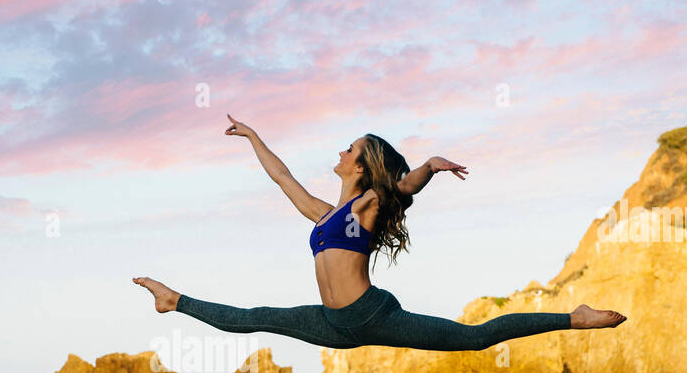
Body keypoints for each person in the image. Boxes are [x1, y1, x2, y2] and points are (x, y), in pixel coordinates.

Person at [133, 114, 625, 350]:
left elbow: (403, 185)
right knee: (254, 317)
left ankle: (573, 318)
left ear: (364, 165)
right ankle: (172, 300)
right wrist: (254, 137)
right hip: (331, 323)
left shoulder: (370, 202)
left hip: (370, 316)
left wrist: (430, 166)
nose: (341, 152)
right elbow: (282, 177)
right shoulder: (325, 213)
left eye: (349, 149)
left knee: (472, 340)